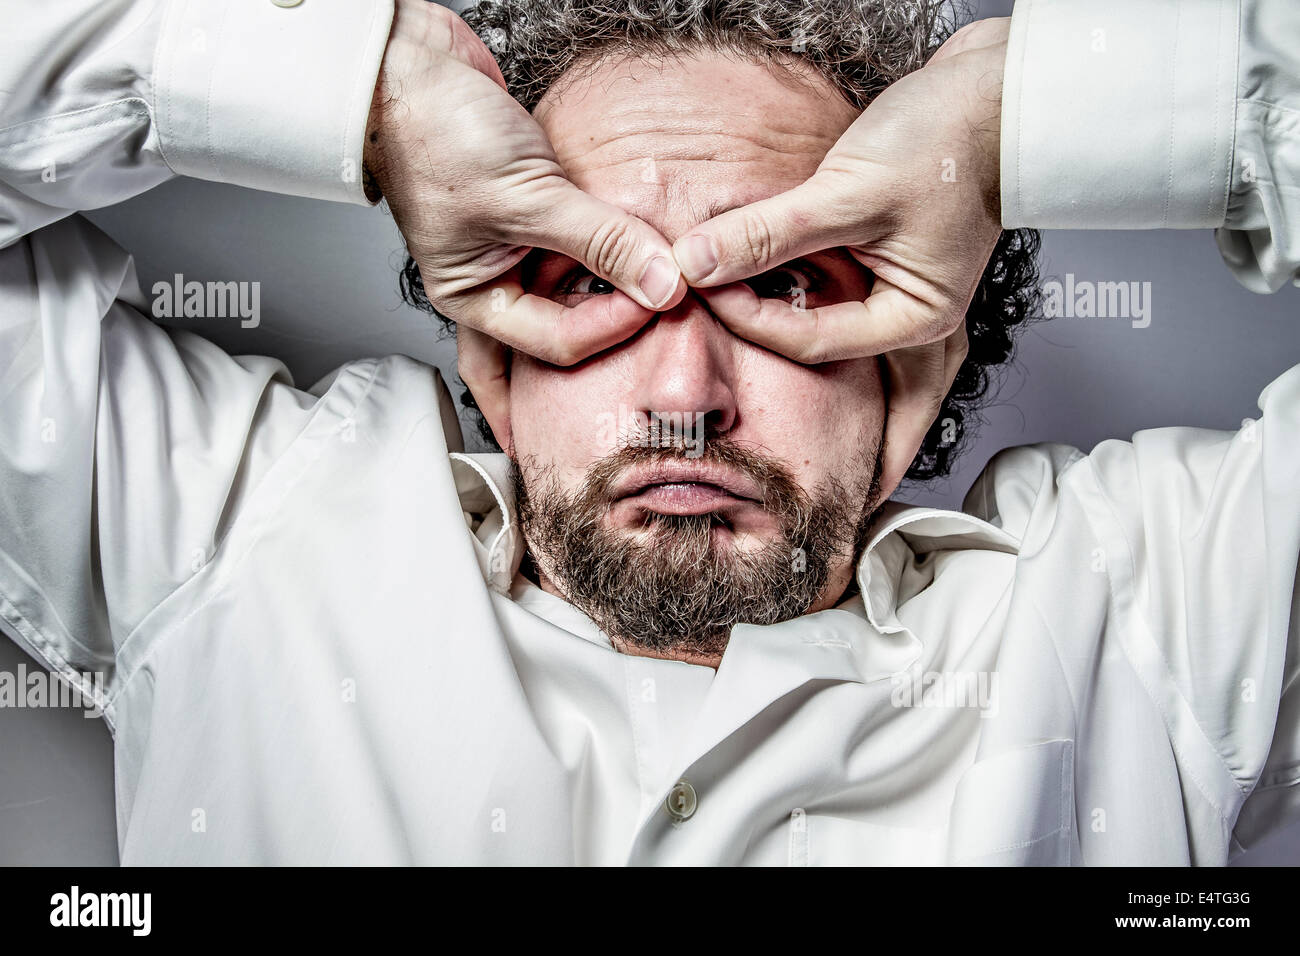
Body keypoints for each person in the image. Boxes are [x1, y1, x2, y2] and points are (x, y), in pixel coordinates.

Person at [0, 0, 1295, 865]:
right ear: (488, 343)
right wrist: (360, 94)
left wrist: (1017, 112)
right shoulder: (224, 523)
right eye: (584, 284)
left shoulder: (1154, 605)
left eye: (791, 287)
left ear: (917, 351)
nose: (687, 392)